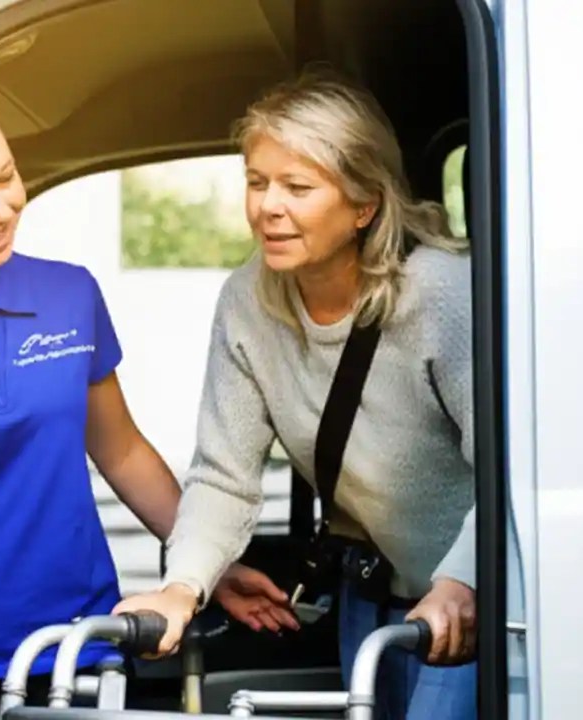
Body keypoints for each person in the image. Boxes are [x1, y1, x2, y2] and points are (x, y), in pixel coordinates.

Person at [0, 83, 291, 720]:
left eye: (5, 177)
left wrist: (204, 568)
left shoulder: (70, 296)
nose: (0, 207)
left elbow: (122, 453)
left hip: (78, 650)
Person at [114, 70, 478, 720]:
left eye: (298, 187)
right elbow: (224, 477)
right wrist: (182, 587)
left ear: (363, 204)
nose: (268, 206)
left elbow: (514, 475)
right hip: (374, 594)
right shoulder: (247, 301)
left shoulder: (442, 296)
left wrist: (464, 582)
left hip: (474, 598)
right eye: (257, 182)